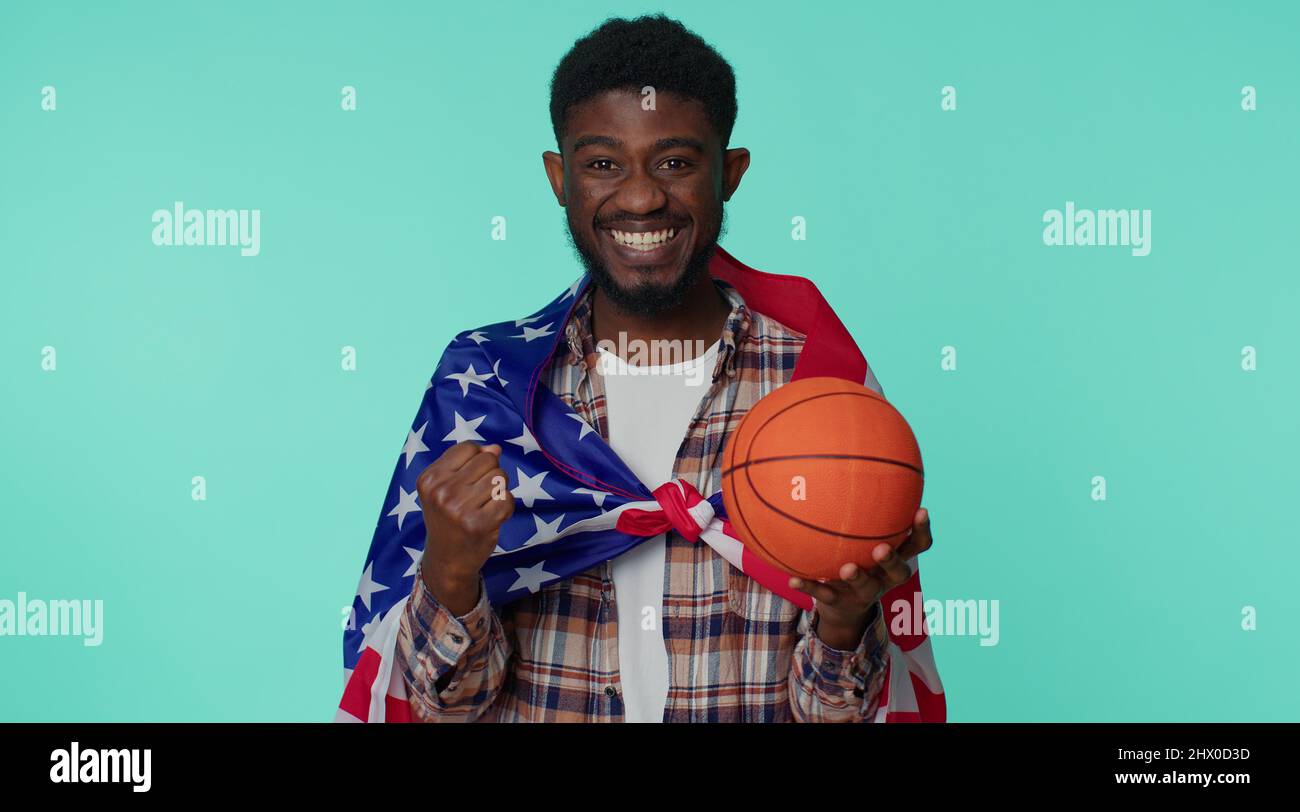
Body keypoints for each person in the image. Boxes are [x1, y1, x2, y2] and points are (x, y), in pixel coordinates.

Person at [394, 14, 936, 723]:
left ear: (730, 174)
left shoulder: (818, 388)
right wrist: (451, 571)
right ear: (560, 178)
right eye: (602, 163)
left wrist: (845, 620)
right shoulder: (488, 387)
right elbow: (446, 707)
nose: (642, 195)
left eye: (676, 162)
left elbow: (836, 715)